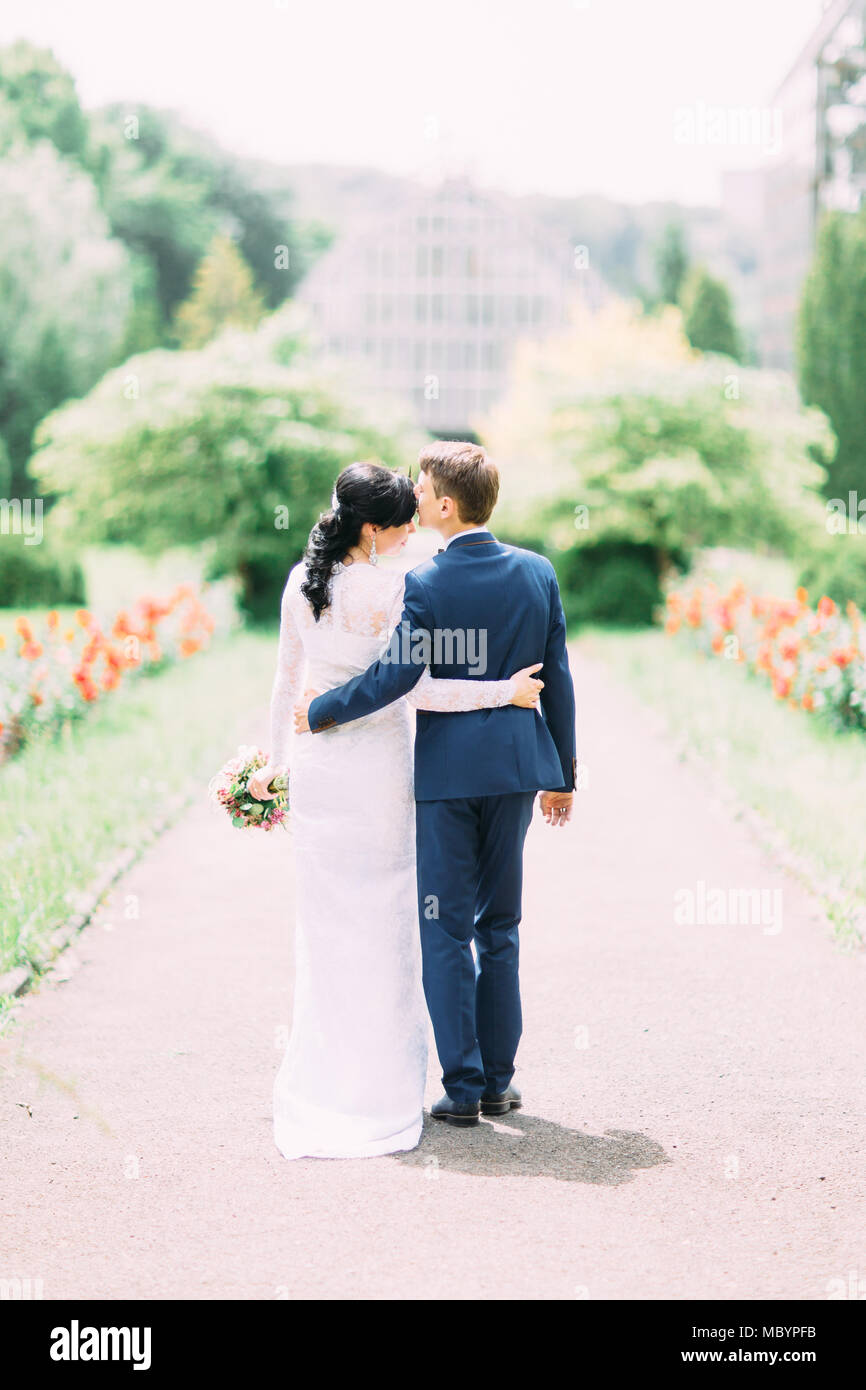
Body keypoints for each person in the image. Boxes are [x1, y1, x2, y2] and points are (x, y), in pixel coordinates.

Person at [250, 460, 543, 1159]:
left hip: (321, 774)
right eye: (404, 519)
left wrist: (271, 766)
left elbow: (284, 682)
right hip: (379, 773)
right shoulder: (399, 588)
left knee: (324, 926)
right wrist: (501, 693)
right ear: (375, 529)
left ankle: (329, 1077)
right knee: (389, 923)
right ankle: (387, 1083)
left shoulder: (301, 583)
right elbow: (416, 690)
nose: (416, 526)